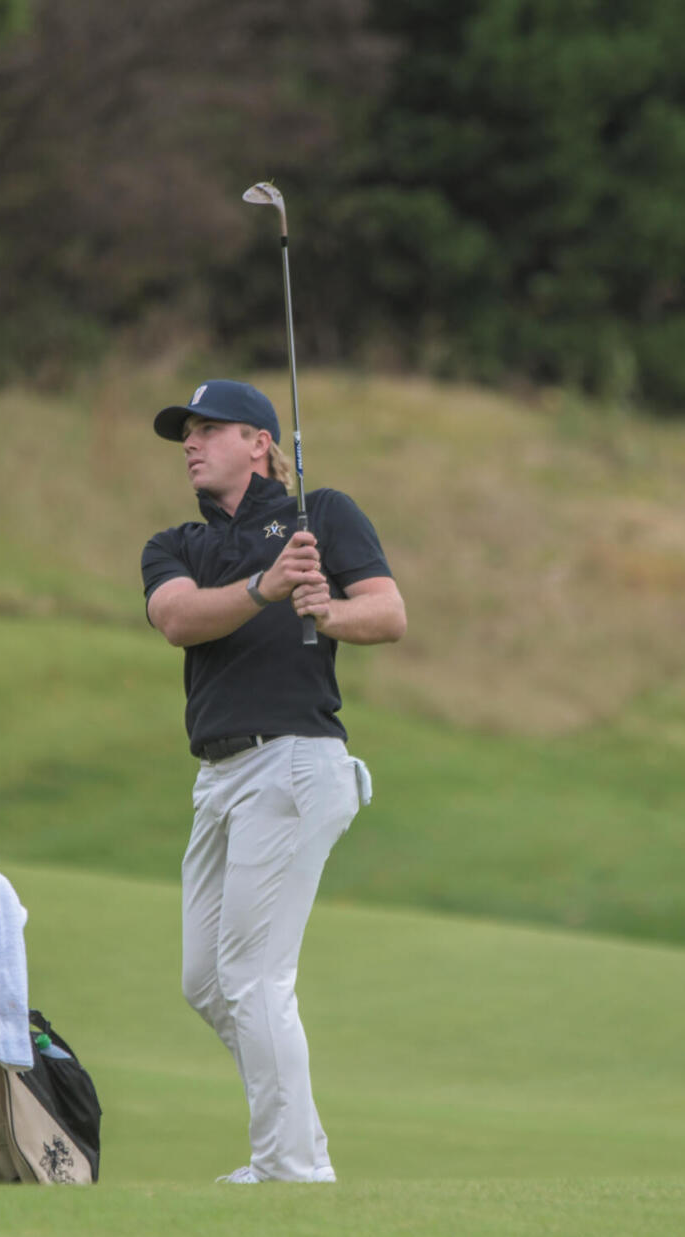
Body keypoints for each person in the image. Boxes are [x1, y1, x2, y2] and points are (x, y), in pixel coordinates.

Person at [140, 379, 406, 1184]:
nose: (190, 442)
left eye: (209, 429)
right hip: (219, 777)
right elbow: (180, 619)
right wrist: (268, 587)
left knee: (254, 976)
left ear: (259, 442)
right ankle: (302, 1150)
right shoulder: (174, 545)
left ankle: (292, 1171)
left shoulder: (319, 515)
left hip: (293, 759)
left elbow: (387, 616)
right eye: (185, 433)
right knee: (207, 983)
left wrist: (323, 611)